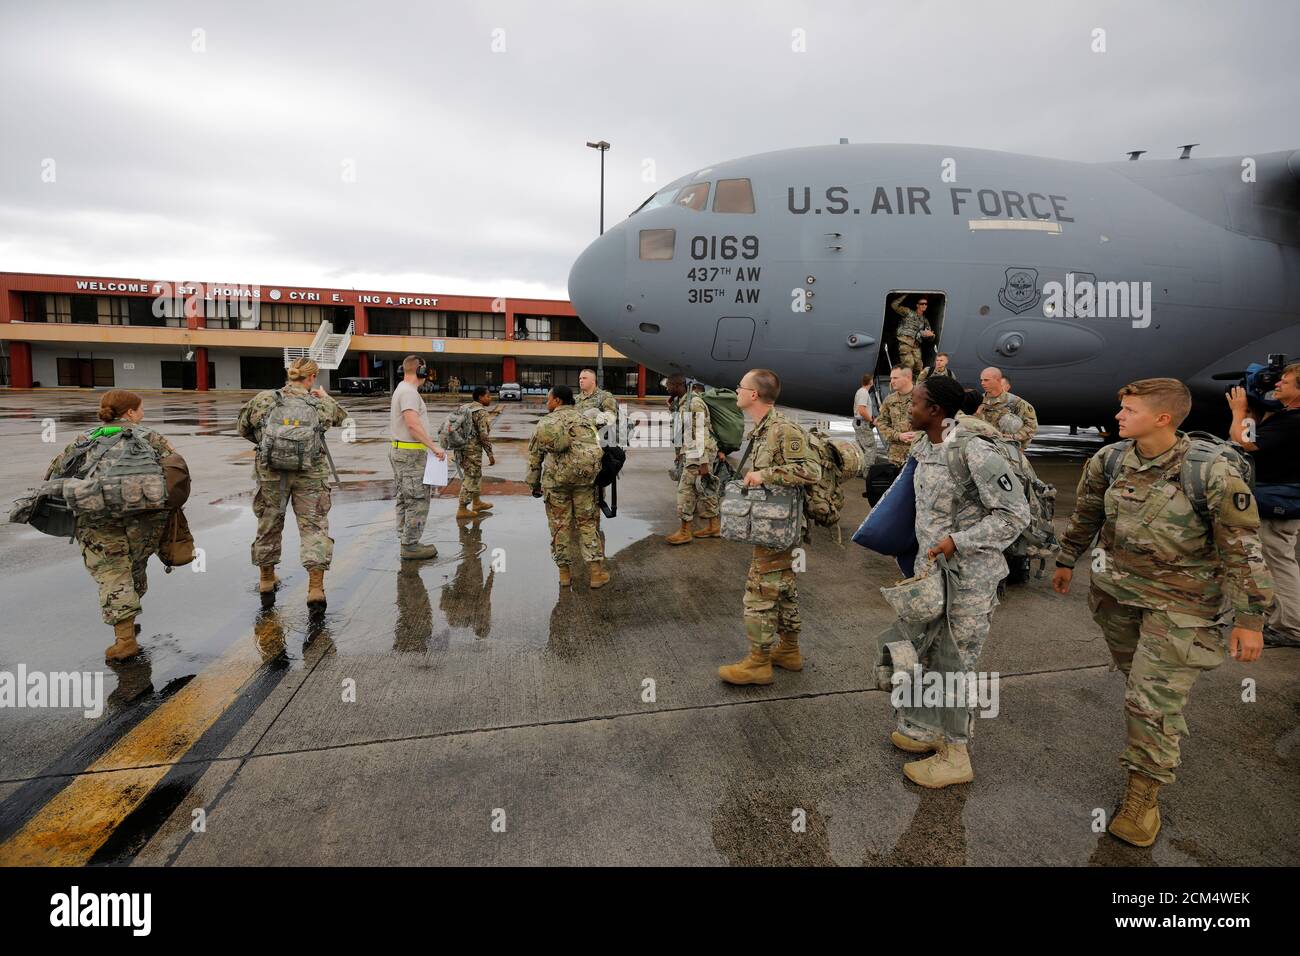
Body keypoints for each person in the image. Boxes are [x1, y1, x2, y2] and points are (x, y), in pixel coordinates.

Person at [1053, 378, 1273, 848]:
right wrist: (1067, 559)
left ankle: (1143, 796)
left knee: (1148, 701)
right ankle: (1157, 734)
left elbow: (1243, 548)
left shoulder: (1210, 472)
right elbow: (1087, 514)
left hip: (1183, 608)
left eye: (1128, 410)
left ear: (1162, 418)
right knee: (1141, 687)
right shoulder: (1109, 460)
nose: (1118, 417)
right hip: (1117, 598)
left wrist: (1251, 620)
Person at [891, 375, 1030, 787]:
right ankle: (929, 730)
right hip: (930, 573)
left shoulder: (973, 450)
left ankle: (956, 755)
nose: (908, 409)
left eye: (914, 403)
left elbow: (1013, 515)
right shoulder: (924, 445)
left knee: (957, 664)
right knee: (929, 654)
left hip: (970, 578)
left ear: (935, 411)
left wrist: (959, 541)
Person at [46, 389, 181, 661]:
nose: (142, 414)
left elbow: (54, 474)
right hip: (145, 515)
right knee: (136, 565)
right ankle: (128, 620)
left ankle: (125, 639)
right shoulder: (151, 438)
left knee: (112, 571)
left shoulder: (86, 439)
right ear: (130, 412)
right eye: (140, 409)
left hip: (98, 518)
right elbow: (177, 471)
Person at [718, 369, 822, 685]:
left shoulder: (782, 429)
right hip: (773, 525)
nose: (736, 390)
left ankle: (758, 663)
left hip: (779, 529)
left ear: (753, 395)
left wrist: (766, 475)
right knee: (783, 590)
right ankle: (789, 651)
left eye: (741, 387)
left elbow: (810, 470)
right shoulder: (763, 429)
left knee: (760, 592)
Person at [237, 358, 348, 605]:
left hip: (271, 472)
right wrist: (325, 397)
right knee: (314, 526)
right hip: (310, 472)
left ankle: (266, 579)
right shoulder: (318, 403)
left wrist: (269, 445)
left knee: (269, 523)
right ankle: (315, 588)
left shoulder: (265, 399)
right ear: (312, 377)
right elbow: (342, 418)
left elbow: (242, 427)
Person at [1227, 362, 1300, 647]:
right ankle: (1276, 617)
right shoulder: (1287, 416)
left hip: (1279, 502)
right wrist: (1252, 405)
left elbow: (1245, 442)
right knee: (1271, 561)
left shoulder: (1294, 421)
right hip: (1277, 498)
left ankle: (1291, 626)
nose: (1278, 384)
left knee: (1279, 561)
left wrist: (1238, 412)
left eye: (1286, 381)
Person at [526, 384, 609, 588]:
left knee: (559, 526)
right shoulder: (585, 420)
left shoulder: (547, 422)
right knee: (587, 525)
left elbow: (535, 457)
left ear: (558, 401)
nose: (547, 402)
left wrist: (534, 484)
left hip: (555, 484)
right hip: (584, 482)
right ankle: (596, 574)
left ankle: (564, 575)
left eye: (549, 399)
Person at [388, 355, 447, 561]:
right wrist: (433, 448)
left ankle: (406, 538)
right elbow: (412, 425)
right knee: (417, 499)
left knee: (406, 498)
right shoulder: (409, 392)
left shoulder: (403, 389)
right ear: (420, 370)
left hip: (404, 453)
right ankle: (410, 545)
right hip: (411, 455)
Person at [664, 374, 720, 543]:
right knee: (704, 488)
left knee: (685, 490)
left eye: (669, 385)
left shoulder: (694, 403)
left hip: (699, 452)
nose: (667, 388)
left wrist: (703, 463)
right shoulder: (683, 402)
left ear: (677, 385)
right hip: (693, 451)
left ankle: (685, 531)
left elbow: (700, 432)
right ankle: (714, 525)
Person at [454, 385, 496, 520]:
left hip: (460, 448)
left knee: (475, 474)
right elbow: (483, 435)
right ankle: (462, 508)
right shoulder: (481, 412)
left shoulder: (464, 408)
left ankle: (476, 502)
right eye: (488, 396)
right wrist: (490, 453)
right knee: (471, 477)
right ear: (480, 397)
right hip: (472, 450)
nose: (490, 398)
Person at [975, 367, 1038, 450]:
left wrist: (1014, 438)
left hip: (1008, 447)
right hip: (982, 447)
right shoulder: (977, 401)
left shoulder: (1016, 403)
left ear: (998, 380)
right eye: (981, 380)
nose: (982, 383)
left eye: (986, 380)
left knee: (1009, 420)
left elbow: (1031, 427)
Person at [875, 365, 917, 468]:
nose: (892, 381)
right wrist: (897, 435)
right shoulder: (889, 400)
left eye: (895, 378)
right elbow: (881, 423)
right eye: (891, 378)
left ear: (908, 377)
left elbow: (934, 423)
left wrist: (919, 435)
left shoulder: (922, 397)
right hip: (895, 457)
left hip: (918, 454)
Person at [890, 293, 934, 378]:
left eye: (926, 304)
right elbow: (894, 305)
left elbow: (930, 337)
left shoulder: (924, 320)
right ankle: (905, 384)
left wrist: (930, 335)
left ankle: (916, 386)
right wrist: (905, 294)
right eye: (922, 304)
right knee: (909, 364)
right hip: (905, 342)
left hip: (916, 345)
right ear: (917, 305)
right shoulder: (908, 312)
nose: (924, 305)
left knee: (918, 366)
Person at [852, 373, 879, 498]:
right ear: (871, 381)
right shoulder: (864, 393)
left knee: (861, 448)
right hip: (863, 423)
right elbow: (862, 410)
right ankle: (867, 474)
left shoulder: (860, 391)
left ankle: (859, 469)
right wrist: (872, 420)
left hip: (859, 423)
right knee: (870, 448)